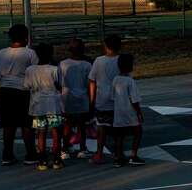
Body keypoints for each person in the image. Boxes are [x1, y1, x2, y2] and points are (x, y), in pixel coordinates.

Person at [0, 24, 38, 166]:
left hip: (6, 91)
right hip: (24, 92)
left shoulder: (2, 53)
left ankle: (7, 154)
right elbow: (36, 71)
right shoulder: (30, 53)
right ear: (26, 38)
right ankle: (30, 154)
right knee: (27, 124)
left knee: (8, 125)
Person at [24, 42, 63, 171]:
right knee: (55, 132)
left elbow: (27, 86)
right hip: (53, 104)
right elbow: (59, 86)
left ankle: (42, 160)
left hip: (38, 105)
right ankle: (57, 159)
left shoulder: (30, 70)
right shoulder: (55, 69)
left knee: (41, 132)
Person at [88, 34, 122, 165]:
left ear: (106, 46)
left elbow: (92, 81)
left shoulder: (99, 61)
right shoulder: (121, 60)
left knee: (101, 128)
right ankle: (119, 154)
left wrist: (92, 100)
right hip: (118, 99)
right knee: (118, 129)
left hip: (102, 100)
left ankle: (99, 153)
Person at [59, 39, 93, 158]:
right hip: (82, 97)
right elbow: (89, 84)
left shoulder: (63, 64)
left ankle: (65, 148)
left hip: (67, 98)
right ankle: (82, 149)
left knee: (67, 124)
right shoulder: (87, 65)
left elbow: (59, 82)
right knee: (82, 125)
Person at [110, 53, 145, 166]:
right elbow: (134, 100)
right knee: (138, 132)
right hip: (130, 111)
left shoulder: (115, 79)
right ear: (130, 66)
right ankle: (133, 155)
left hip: (118, 112)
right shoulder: (130, 81)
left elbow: (112, 96)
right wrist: (139, 113)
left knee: (119, 135)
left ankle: (118, 157)